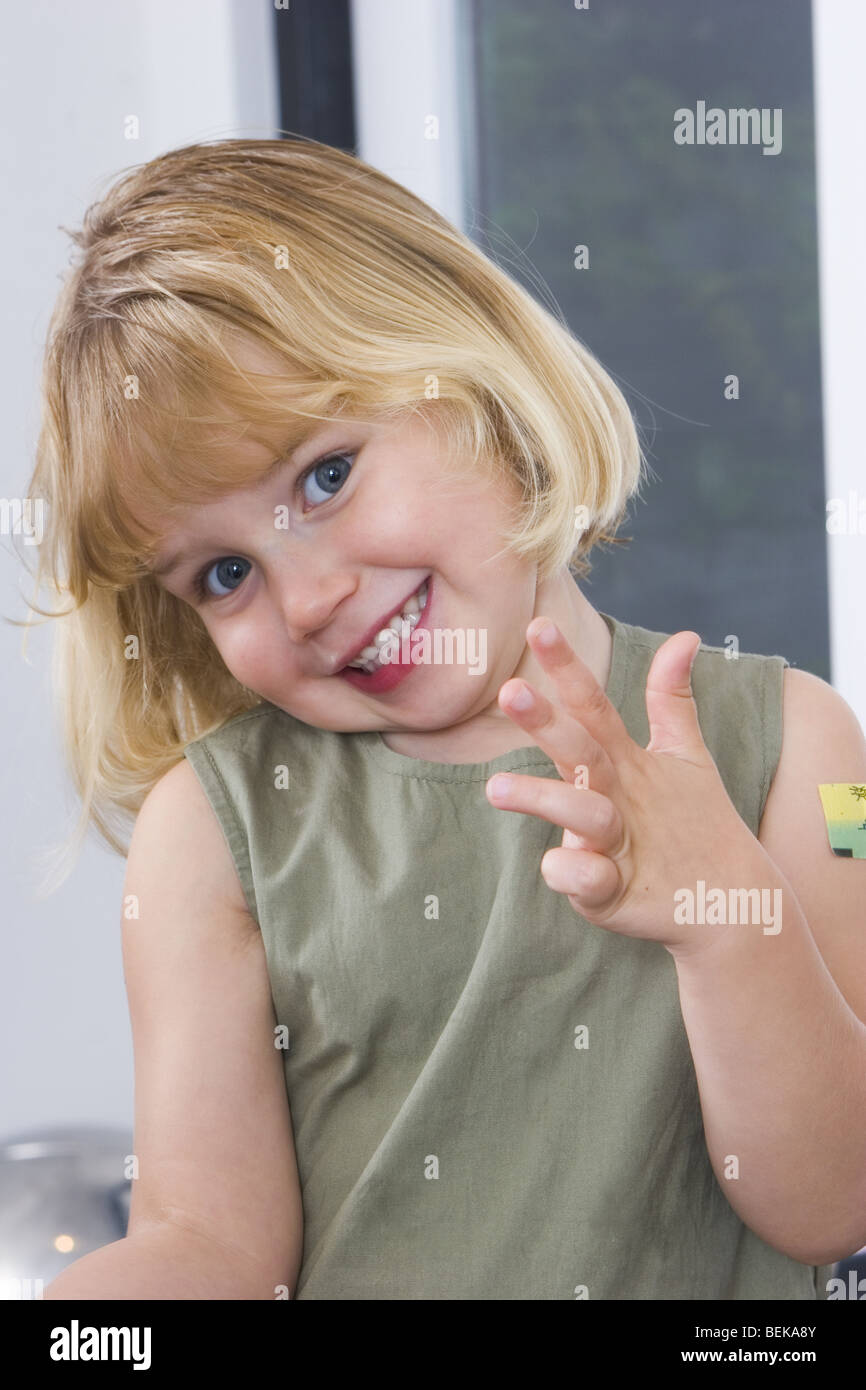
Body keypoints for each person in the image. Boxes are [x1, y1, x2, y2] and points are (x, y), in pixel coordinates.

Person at [23, 137, 866, 1300]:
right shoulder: (211, 834)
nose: (309, 597)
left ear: (473, 386)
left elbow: (829, 1204)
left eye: (323, 476)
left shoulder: (801, 749)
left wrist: (723, 917)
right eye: (221, 574)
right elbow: (211, 1243)